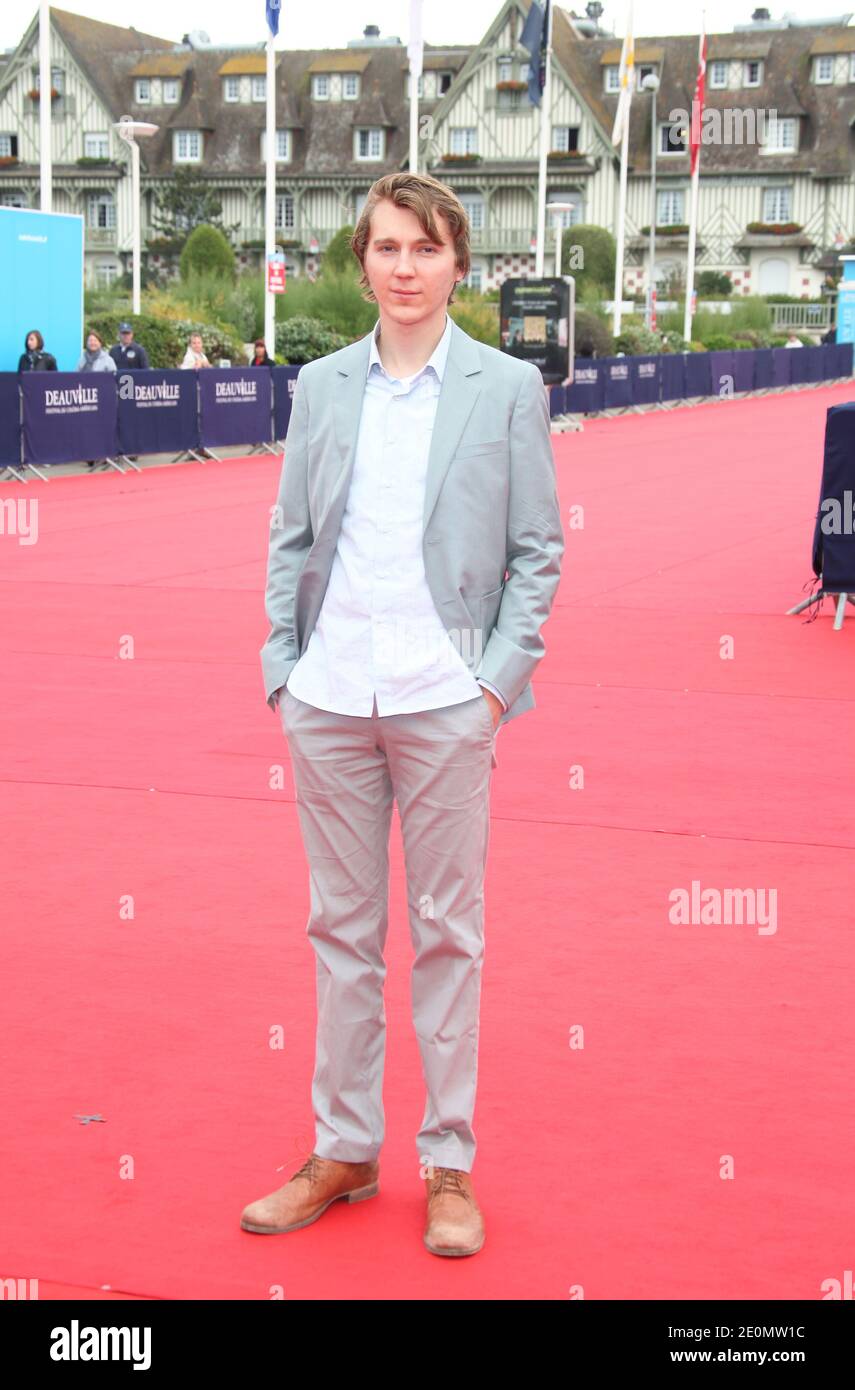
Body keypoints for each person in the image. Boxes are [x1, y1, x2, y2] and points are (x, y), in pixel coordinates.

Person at [243, 172, 564, 1256]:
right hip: (329, 699)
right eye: (385, 248)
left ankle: (450, 1162)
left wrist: (493, 687)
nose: (405, 268)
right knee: (339, 932)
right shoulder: (323, 386)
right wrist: (283, 671)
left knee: (447, 938)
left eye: (424, 248)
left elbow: (537, 552)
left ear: (457, 264)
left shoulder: (507, 387)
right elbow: (290, 535)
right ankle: (343, 1149)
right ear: (363, 262)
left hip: (444, 702)